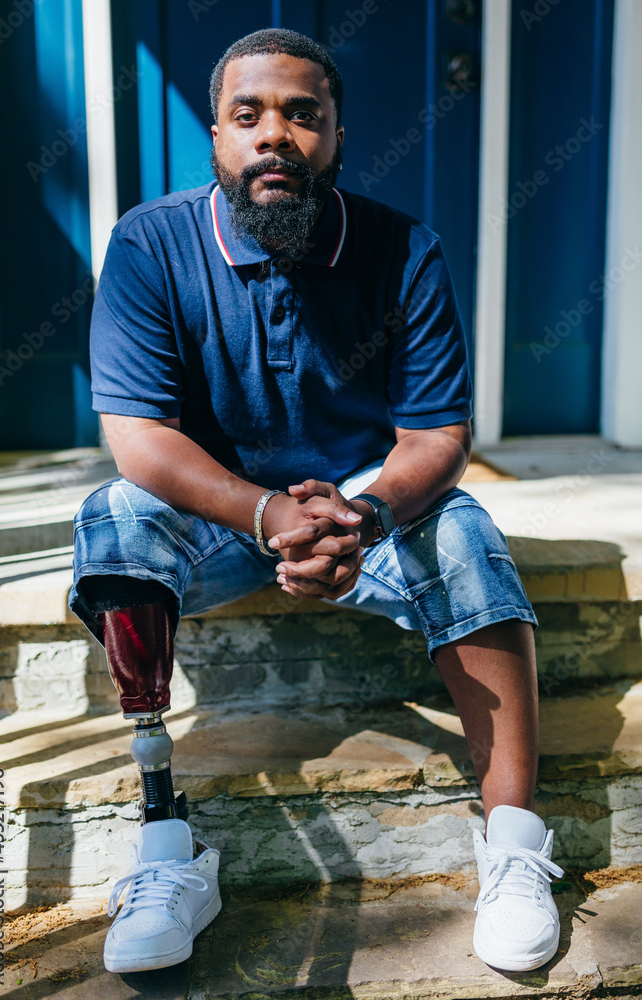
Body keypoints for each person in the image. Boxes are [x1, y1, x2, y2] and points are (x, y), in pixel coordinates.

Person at [69, 27, 563, 976]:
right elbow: (138, 440)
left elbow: (434, 439)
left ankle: (512, 843)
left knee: (459, 529)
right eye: (247, 114)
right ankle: (167, 848)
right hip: (212, 525)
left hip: (354, 521)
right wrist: (263, 514)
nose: (275, 136)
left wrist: (367, 517)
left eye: (304, 115)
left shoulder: (402, 248)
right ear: (214, 135)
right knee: (116, 517)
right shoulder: (150, 242)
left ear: (336, 136)